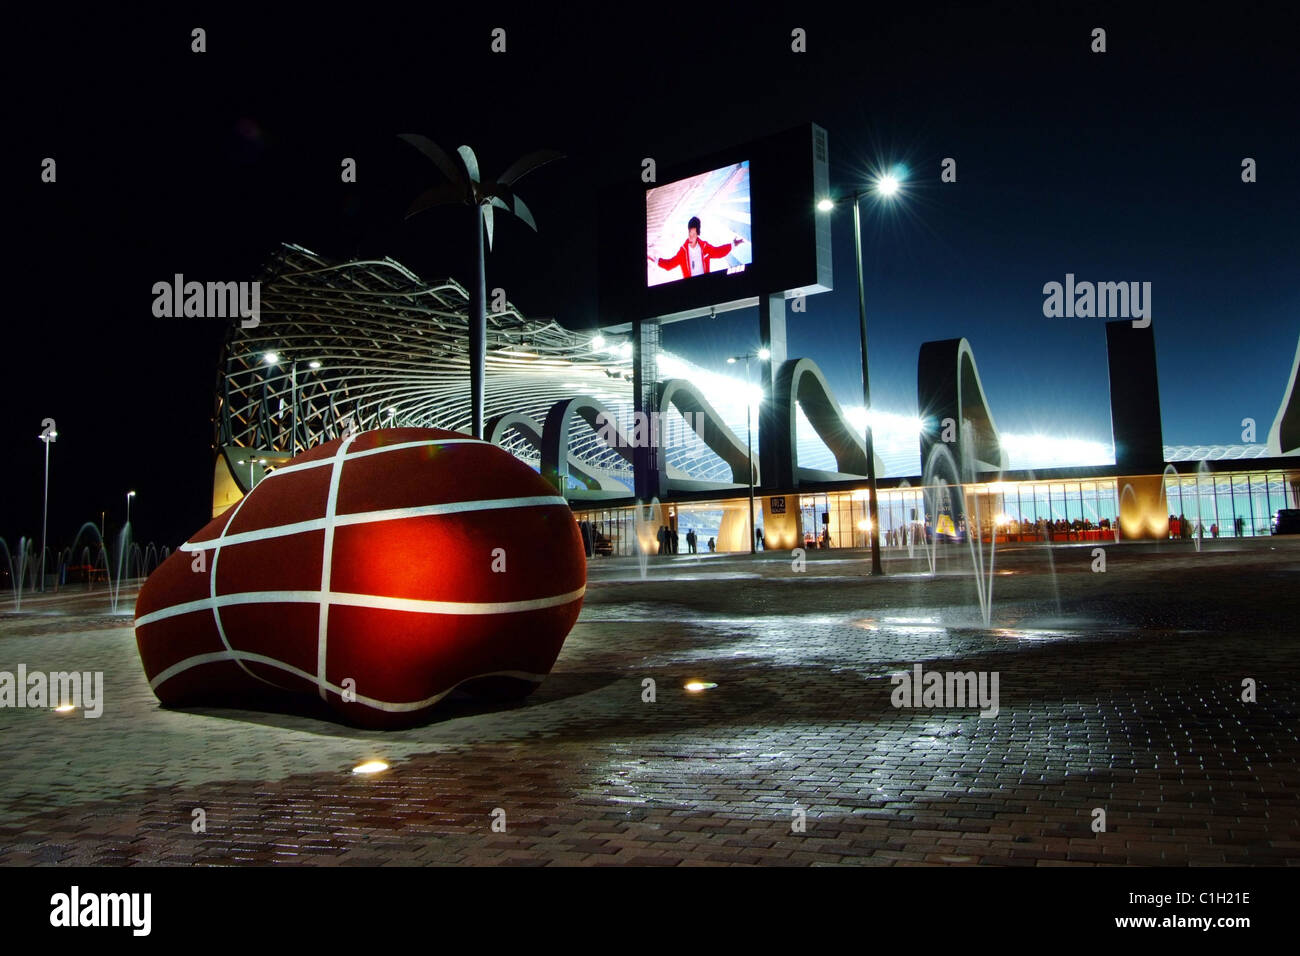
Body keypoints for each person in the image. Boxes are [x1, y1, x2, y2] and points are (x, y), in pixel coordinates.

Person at [648, 216, 744, 279]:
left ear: (698, 234)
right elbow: (669, 265)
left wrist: (733, 244)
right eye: (690, 233)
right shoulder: (683, 252)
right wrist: (655, 260)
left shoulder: (705, 247)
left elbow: (718, 252)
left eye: (694, 234)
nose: (691, 236)